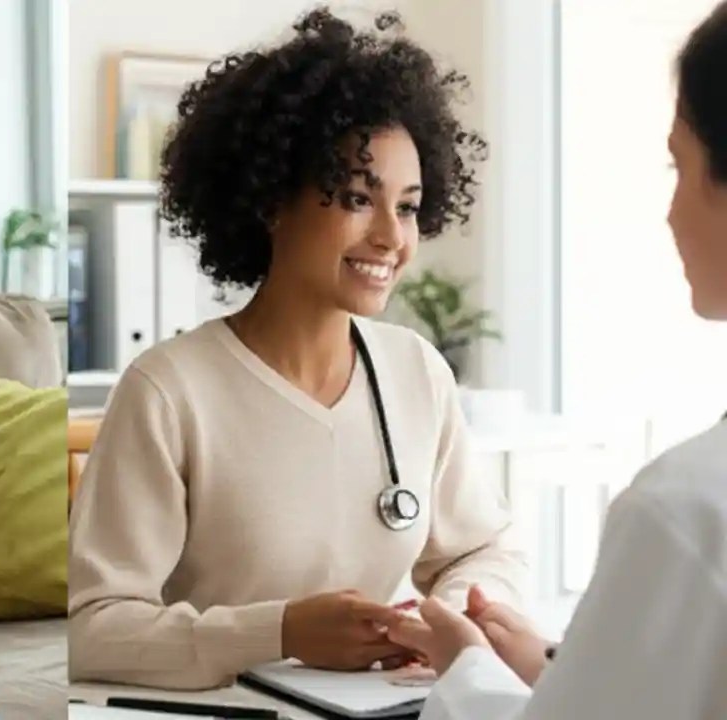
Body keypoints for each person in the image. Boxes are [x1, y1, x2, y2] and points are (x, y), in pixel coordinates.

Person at [67, 6, 527, 692]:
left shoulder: (415, 371)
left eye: (407, 206)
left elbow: (486, 550)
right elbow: (92, 628)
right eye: (357, 198)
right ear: (271, 200)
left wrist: (446, 620)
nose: (392, 238)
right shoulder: (168, 391)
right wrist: (278, 632)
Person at [384, 4, 727, 718]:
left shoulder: (684, 513)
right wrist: (558, 667)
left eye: (679, 165)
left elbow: (483, 547)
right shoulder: (171, 390)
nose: (669, 211)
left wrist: (468, 667)